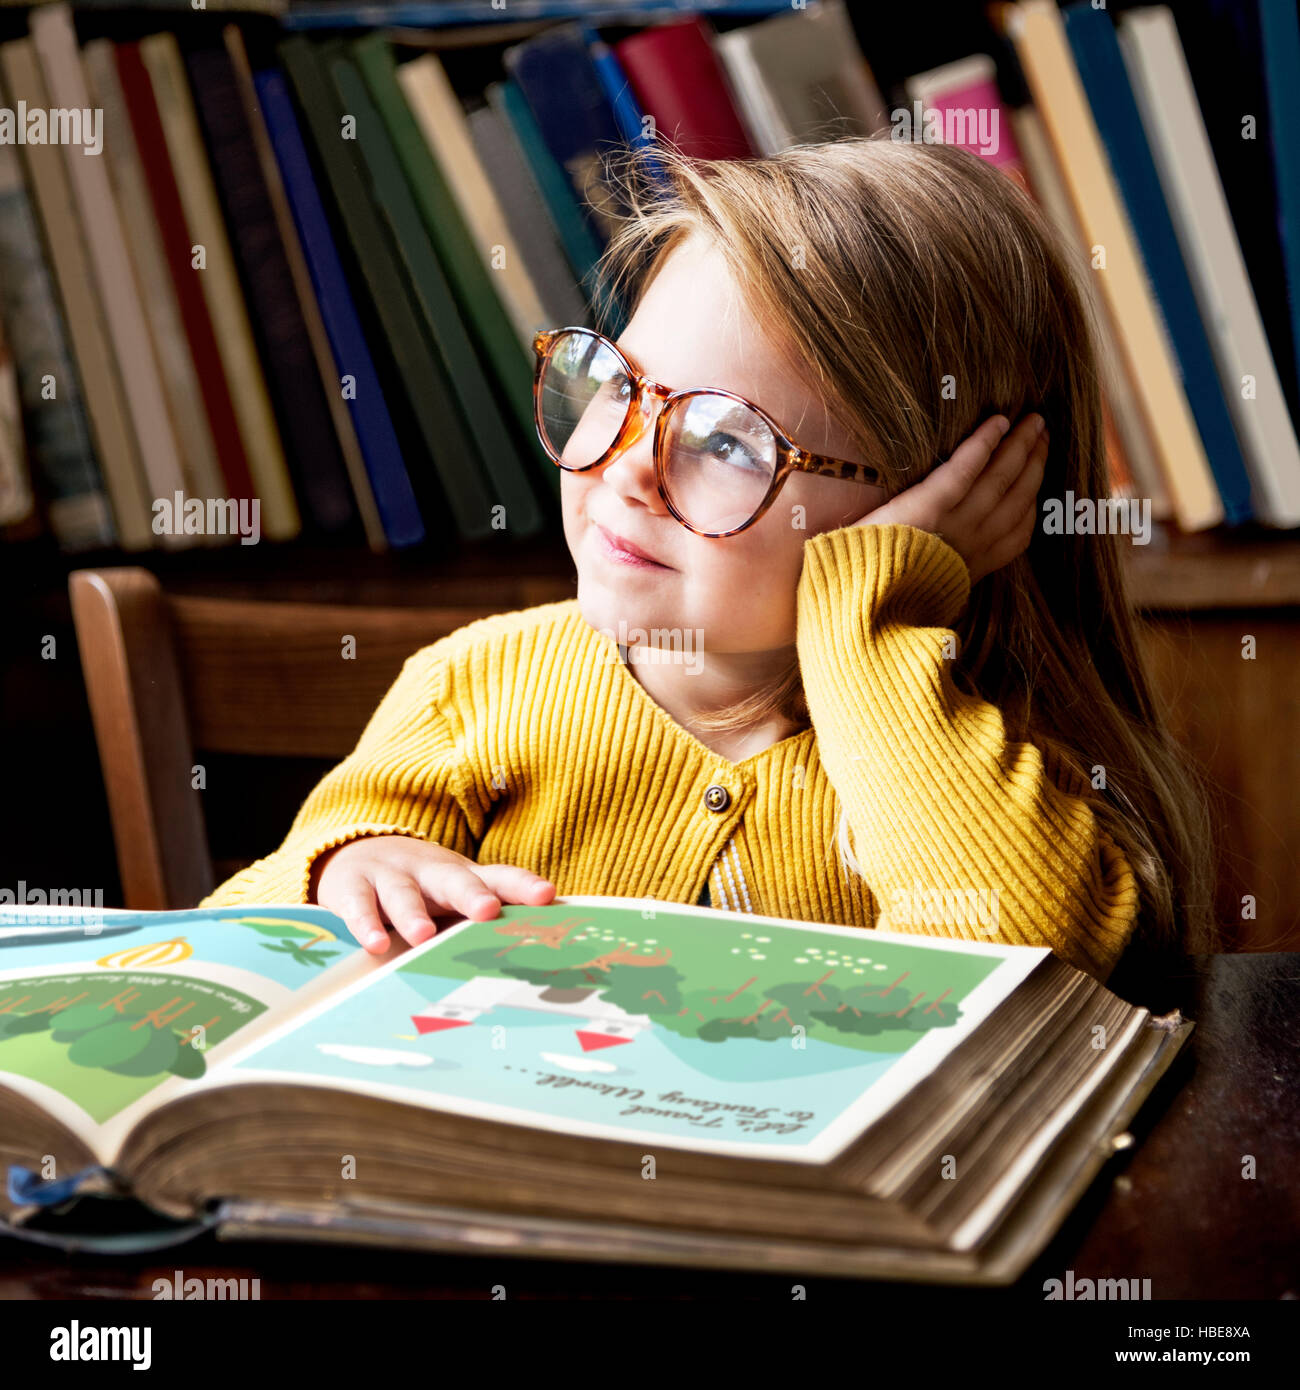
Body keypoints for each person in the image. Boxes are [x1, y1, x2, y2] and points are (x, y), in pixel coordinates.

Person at [200, 134, 1217, 985]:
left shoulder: (989, 752)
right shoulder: (473, 689)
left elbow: (1032, 962)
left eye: (728, 440)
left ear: (944, 502)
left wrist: (868, 613)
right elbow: (241, 939)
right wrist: (349, 868)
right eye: (620, 385)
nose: (627, 468)